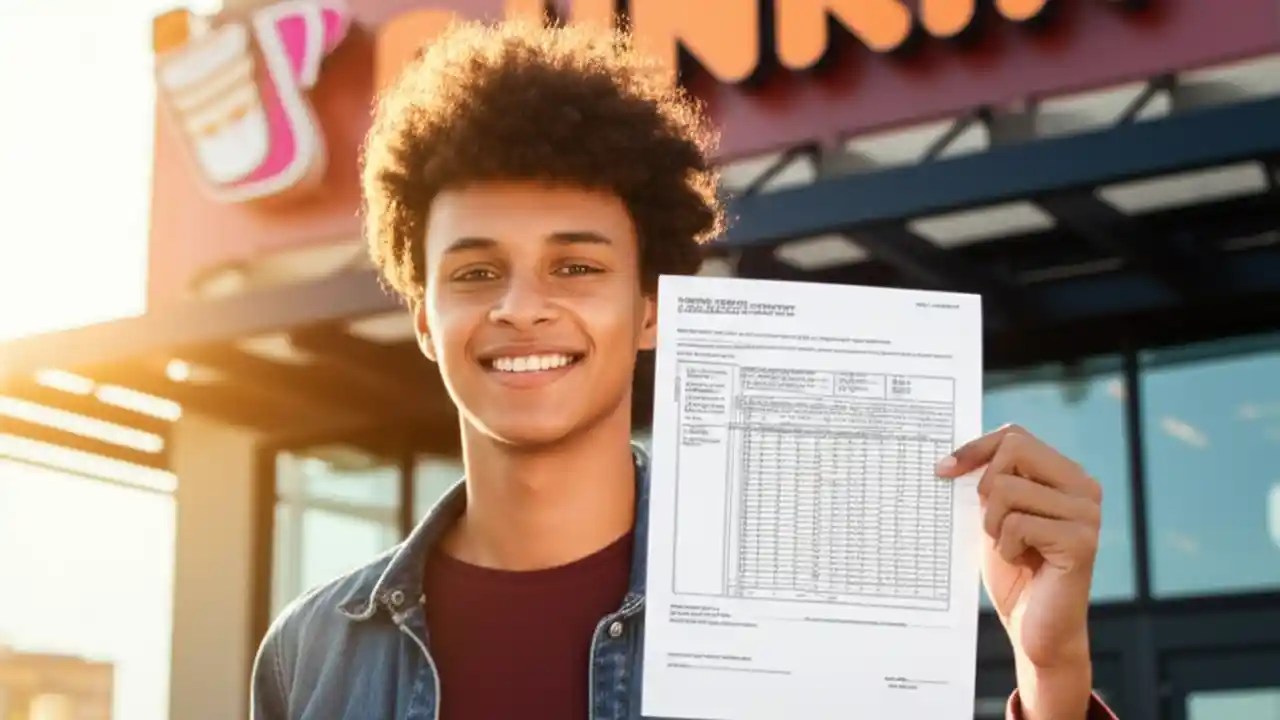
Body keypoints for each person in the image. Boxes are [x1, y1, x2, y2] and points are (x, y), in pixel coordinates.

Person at [250, 18, 1116, 720]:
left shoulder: (790, 603)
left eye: (576, 267)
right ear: (425, 321)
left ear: (652, 310)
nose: (520, 306)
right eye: (475, 273)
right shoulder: (312, 654)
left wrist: (1052, 678)